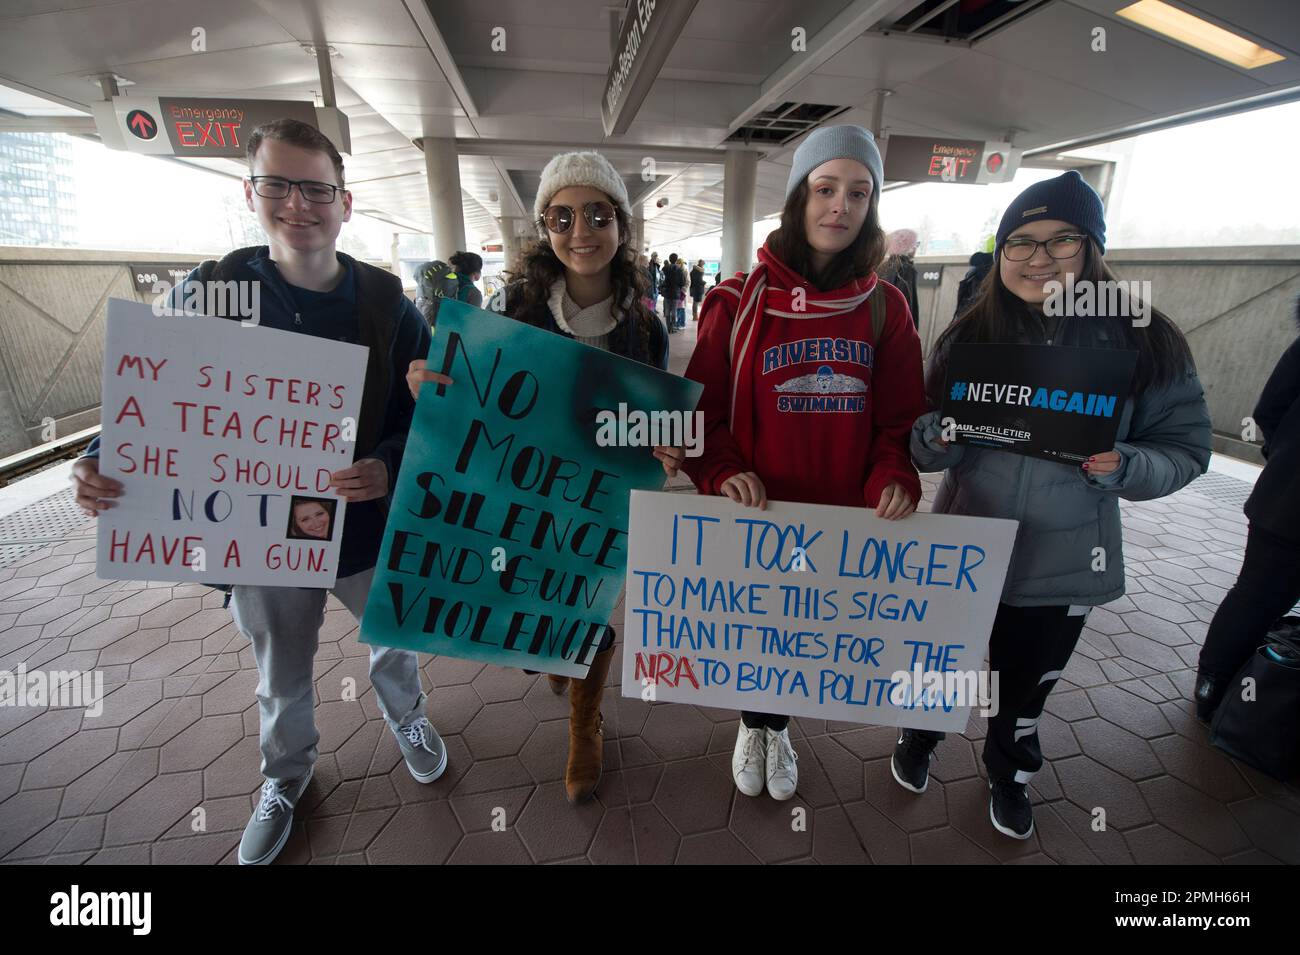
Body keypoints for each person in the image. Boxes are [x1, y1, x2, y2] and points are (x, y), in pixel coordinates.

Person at [69, 118, 446, 865]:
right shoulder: (211, 296)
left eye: (316, 188)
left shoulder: (389, 305)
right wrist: (97, 455)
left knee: (394, 634)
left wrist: (391, 462)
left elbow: (426, 410)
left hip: (366, 530)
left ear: (345, 202)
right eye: (278, 184)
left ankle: (407, 716)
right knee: (279, 665)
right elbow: (152, 393)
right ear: (250, 192)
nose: (297, 204)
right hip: (262, 537)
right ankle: (286, 775)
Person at [904, 170, 1212, 839]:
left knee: (1025, 686)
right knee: (938, 664)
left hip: (1065, 560)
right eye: (1021, 242)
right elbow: (935, 434)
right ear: (1002, 253)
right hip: (965, 547)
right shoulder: (967, 337)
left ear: (1092, 247)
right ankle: (918, 739)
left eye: (1060, 240)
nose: (1038, 258)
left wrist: (1129, 465)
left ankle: (1009, 771)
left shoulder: (1146, 341)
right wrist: (931, 443)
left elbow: (1185, 447)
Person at [406, 150, 675, 804]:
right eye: (561, 216)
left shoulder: (645, 325)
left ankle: (586, 722)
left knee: (585, 612)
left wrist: (664, 448)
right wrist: (432, 388)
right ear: (545, 229)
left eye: (597, 214)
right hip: (523, 490)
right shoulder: (514, 310)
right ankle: (553, 659)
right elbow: (476, 392)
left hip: (600, 498)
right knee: (528, 617)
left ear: (621, 225)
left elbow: (656, 419)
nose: (580, 230)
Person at [682, 125, 926, 802]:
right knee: (755, 627)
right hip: (755, 510)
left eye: (857, 192)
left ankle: (776, 723)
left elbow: (899, 419)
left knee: (798, 633)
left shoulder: (886, 307)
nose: (839, 207)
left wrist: (891, 477)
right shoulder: (736, 301)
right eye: (824, 189)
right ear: (798, 197)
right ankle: (754, 723)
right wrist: (720, 467)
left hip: (838, 519)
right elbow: (703, 411)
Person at [1195, 296, 1300, 720]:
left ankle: (1213, 684)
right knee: (1257, 595)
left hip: (1286, 499)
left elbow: (1268, 410)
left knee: (1256, 594)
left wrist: (1284, 458)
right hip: (1288, 501)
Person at [880, 228, 920, 328]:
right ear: (908, 246)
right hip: (897, 328)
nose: (916, 248)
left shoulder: (883, 267)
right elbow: (906, 305)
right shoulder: (906, 269)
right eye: (916, 244)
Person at [661, 252, 686, 333]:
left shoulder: (665, 269)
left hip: (667, 292)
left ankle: (668, 327)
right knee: (674, 311)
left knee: (667, 310)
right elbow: (682, 283)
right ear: (676, 260)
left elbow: (661, 280)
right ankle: (673, 327)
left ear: (669, 259)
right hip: (676, 293)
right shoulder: (680, 270)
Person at [647, 251, 662, 317]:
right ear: (652, 257)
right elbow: (651, 276)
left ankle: (653, 309)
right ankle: (651, 312)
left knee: (655, 299)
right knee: (652, 299)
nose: (656, 258)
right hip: (652, 286)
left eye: (656, 256)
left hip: (656, 285)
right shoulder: (650, 264)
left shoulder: (656, 265)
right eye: (655, 256)